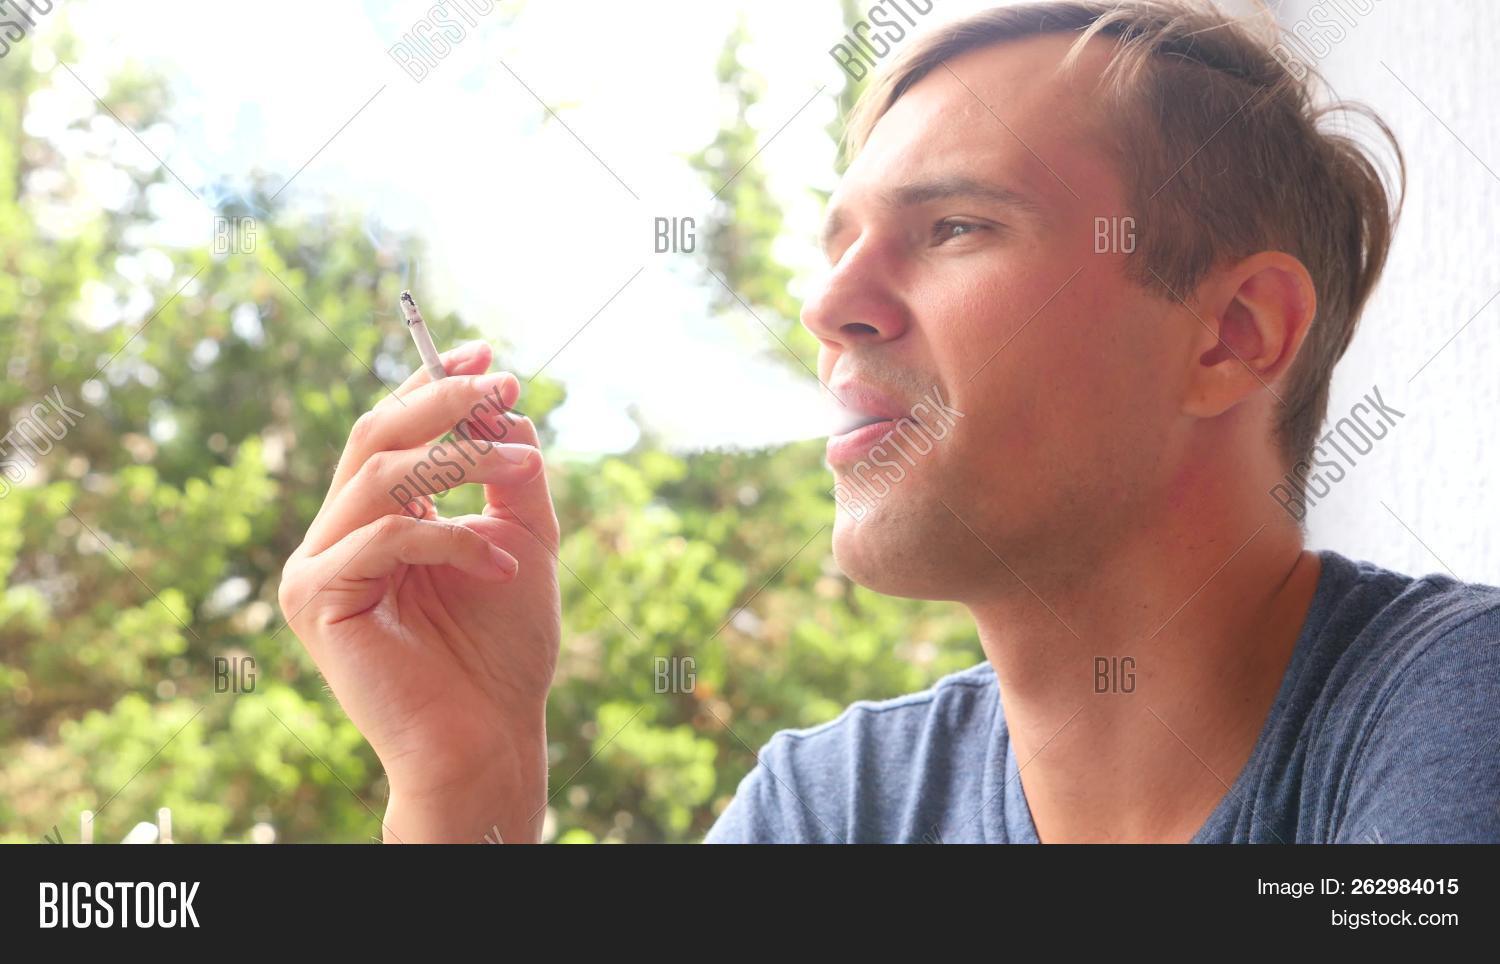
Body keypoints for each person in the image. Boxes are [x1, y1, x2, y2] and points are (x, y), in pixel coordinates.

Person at [278, 0, 1500, 843]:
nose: (828, 308)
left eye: (955, 227)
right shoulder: (834, 806)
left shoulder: (1454, 710)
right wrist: (469, 782)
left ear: (1233, 335)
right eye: (837, 248)